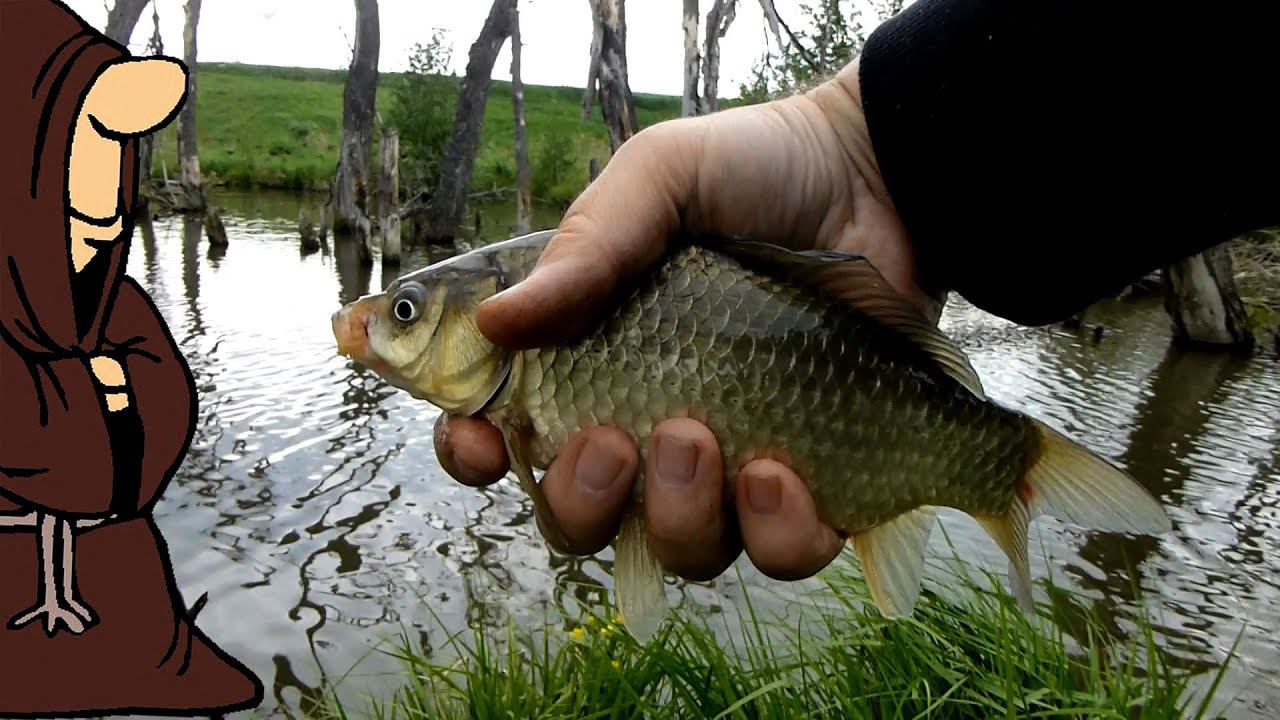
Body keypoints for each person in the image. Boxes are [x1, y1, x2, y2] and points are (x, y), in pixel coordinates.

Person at [434, 0, 1280, 584]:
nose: (374, 328)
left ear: (489, 311)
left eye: (407, 315)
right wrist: (873, 144)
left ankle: (999, 467)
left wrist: (873, 144)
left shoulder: (526, 322)